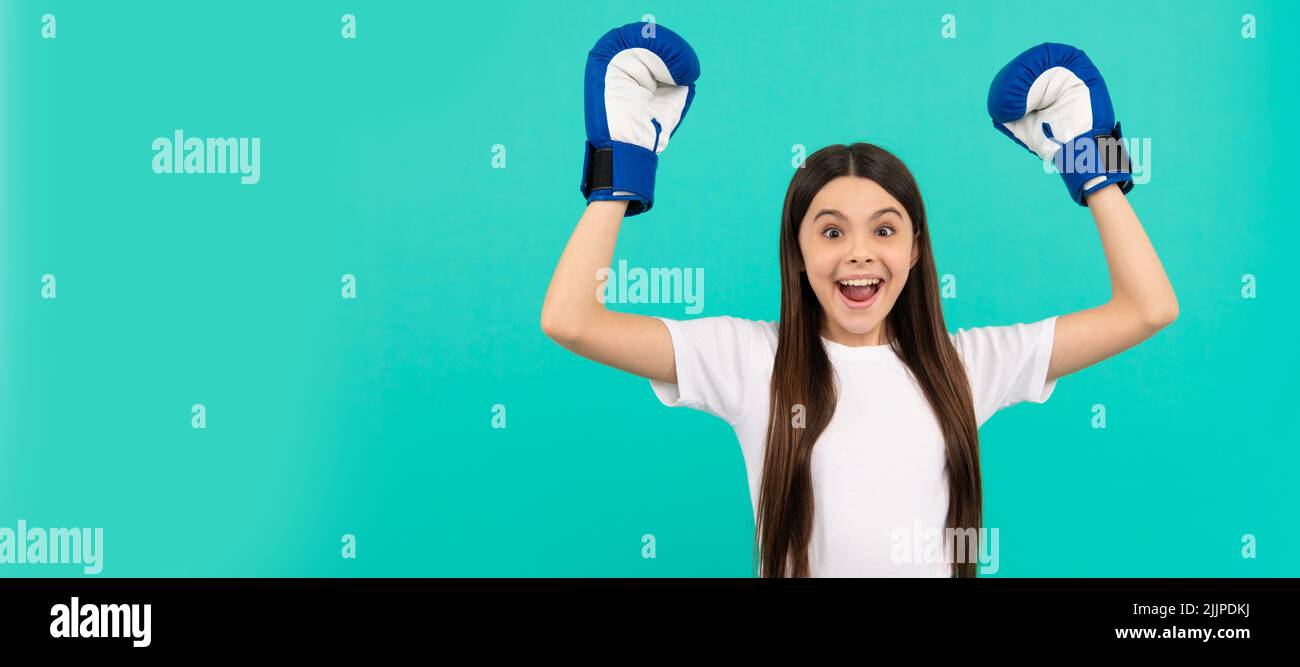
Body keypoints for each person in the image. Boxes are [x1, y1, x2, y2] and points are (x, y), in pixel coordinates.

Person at [541, 24, 1179, 577]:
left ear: (916, 250)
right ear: (797, 251)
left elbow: (1149, 307)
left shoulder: (966, 366)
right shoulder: (746, 358)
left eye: (883, 229)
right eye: (830, 230)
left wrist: (1097, 167)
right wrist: (617, 175)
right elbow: (571, 320)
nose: (858, 254)